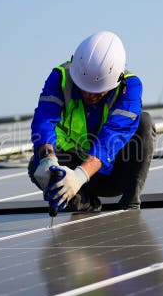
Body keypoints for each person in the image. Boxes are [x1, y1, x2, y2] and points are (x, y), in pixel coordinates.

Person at [28, 31, 155, 211]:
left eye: (98, 91)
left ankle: (130, 203)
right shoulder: (60, 78)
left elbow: (112, 137)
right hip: (72, 169)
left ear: (116, 81)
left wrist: (80, 175)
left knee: (144, 122)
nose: (89, 95)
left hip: (113, 173)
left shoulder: (130, 87)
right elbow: (44, 119)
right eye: (84, 87)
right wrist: (48, 159)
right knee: (36, 164)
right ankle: (84, 202)